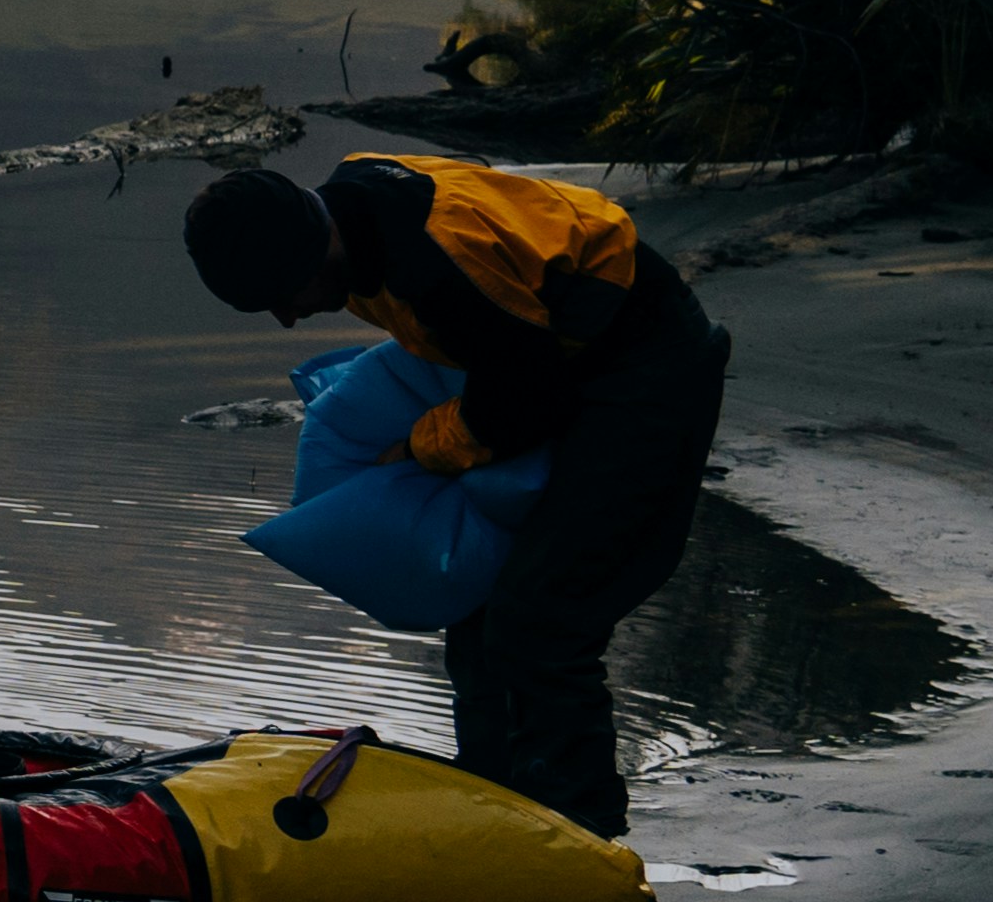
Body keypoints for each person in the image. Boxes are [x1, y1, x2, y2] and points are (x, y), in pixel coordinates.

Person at [178, 153, 728, 837]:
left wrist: (416, 446)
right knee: (477, 612)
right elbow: (489, 352)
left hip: (643, 362)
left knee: (542, 613)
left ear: (308, 252)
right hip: (555, 354)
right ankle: (496, 803)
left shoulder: (435, 261)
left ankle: (583, 829)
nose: (286, 319)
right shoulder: (353, 213)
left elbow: (520, 402)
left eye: (279, 297)